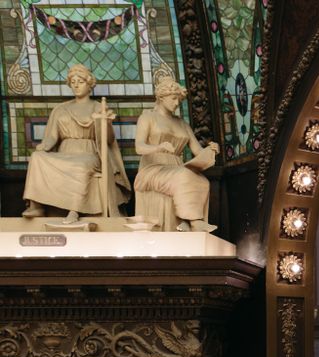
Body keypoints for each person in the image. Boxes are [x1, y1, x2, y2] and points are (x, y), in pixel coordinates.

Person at [22, 64, 130, 222]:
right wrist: (44, 146)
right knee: (37, 157)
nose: (76, 85)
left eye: (80, 81)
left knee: (81, 166)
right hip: (64, 153)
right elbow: (52, 137)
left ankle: (75, 209)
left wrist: (105, 123)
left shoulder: (99, 107)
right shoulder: (60, 109)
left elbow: (108, 140)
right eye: (73, 82)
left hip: (89, 153)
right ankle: (36, 206)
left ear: (89, 84)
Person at [133, 78, 219, 232]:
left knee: (203, 181)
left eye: (179, 100)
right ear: (161, 97)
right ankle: (194, 221)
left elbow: (197, 151)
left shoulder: (182, 124)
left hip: (177, 168)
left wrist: (211, 150)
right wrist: (158, 147)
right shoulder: (148, 117)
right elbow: (139, 147)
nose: (177, 103)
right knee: (183, 176)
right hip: (153, 168)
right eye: (173, 98)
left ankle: (184, 220)